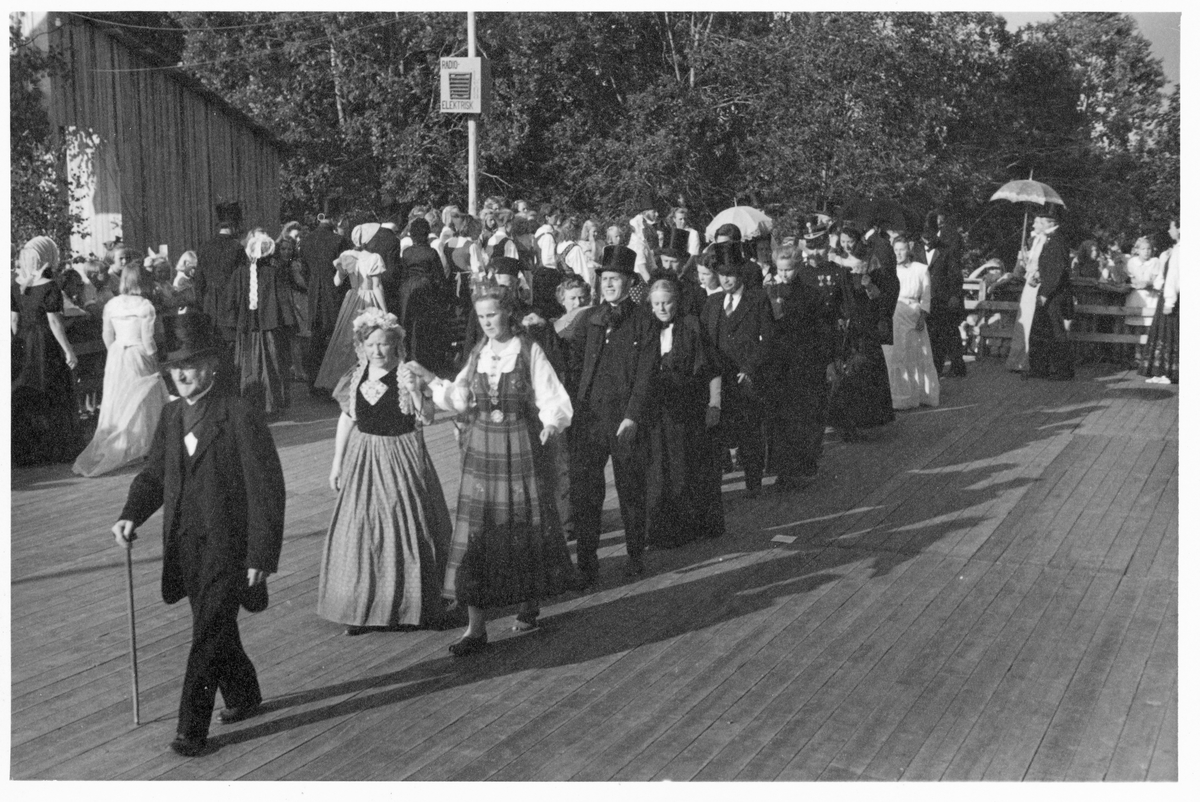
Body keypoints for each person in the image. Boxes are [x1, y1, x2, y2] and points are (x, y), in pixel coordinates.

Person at [111, 312, 285, 757]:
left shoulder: (237, 413)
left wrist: (261, 554)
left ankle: (192, 728)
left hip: (229, 545)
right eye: (174, 367)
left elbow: (266, 490)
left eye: (192, 364)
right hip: (185, 543)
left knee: (207, 632)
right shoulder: (171, 416)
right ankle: (244, 696)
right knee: (214, 625)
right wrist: (133, 513)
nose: (182, 374)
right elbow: (154, 476)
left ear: (212, 366)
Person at [419, 287, 577, 655]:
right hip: (481, 447)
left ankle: (526, 603)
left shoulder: (527, 350)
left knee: (521, 524)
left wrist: (551, 422)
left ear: (508, 313)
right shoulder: (477, 354)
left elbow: (551, 394)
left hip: (520, 443)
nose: (487, 322)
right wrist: (429, 380)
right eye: (482, 316)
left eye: (493, 314)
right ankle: (476, 627)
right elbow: (460, 398)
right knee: (477, 530)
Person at [320, 309, 452, 634]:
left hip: (401, 454)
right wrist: (337, 461)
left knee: (407, 525)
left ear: (395, 345)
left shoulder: (407, 373)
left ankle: (415, 605)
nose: (377, 351)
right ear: (361, 346)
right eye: (371, 345)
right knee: (362, 529)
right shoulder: (355, 377)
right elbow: (348, 418)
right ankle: (362, 608)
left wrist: (417, 392)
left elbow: (427, 418)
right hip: (364, 456)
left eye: (383, 344)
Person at [568, 244, 659, 583]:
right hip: (590, 417)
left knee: (631, 489)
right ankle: (586, 563)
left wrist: (633, 415)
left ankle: (635, 555)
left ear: (629, 282)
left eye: (616, 279)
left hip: (624, 419)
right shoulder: (589, 319)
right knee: (586, 492)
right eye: (605, 279)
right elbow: (574, 367)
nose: (609, 285)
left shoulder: (644, 322)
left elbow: (648, 372)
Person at [644, 278, 724, 545]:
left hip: (687, 407)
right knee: (659, 471)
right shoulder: (646, 330)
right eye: (656, 303)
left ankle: (691, 526)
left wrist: (715, 403)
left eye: (666, 302)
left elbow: (710, 367)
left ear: (676, 302)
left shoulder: (691, 326)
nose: (662, 308)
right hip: (658, 412)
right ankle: (664, 531)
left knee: (686, 467)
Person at [73, 265, 170, 476]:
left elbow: (107, 335)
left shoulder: (111, 305)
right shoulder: (146, 306)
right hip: (138, 352)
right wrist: (154, 360)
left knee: (120, 401)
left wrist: (115, 353)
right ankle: (144, 445)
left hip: (117, 355)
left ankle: (127, 445)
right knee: (144, 399)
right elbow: (148, 339)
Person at [700, 241, 776, 497]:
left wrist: (751, 366)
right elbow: (705, 340)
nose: (726, 279)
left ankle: (753, 482)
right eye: (722, 274)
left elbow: (768, 337)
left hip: (745, 377)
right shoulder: (712, 304)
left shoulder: (757, 300)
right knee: (718, 432)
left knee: (749, 432)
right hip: (719, 378)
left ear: (741, 274)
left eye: (731, 274)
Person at [765, 245, 835, 489]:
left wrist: (827, 361)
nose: (785, 274)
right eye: (781, 270)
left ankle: (805, 467)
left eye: (790, 269)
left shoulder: (810, 294)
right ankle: (784, 471)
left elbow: (821, 331)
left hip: (806, 362)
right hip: (780, 364)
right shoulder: (769, 292)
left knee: (804, 417)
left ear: (798, 267)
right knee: (782, 420)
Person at [11, 235, 81, 465]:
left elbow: (13, 321)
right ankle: (56, 448)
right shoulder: (50, 287)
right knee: (53, 390)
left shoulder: (16, 285)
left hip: (24, 340)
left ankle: (27, 450)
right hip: (45, 343)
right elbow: (55, 323)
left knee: (26, 391)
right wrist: (68, 350)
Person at [826, 225, 897, 439]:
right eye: (844, 241)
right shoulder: (836, 261)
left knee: (864, 370)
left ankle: (865, 421)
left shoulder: (869, 260)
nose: (847, 245)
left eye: (850, 240)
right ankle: (844, 422)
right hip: (845, 324)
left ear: (858, 240)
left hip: (864, 324)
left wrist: (869, 287)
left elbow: (881, 294)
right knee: (843, 373)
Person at [220, 233, 297, 414]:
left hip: (247, 330)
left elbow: (228, 300)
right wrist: (290, 324)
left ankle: (249, 403)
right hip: (270, 330)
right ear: (268, 254)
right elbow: (283, 301)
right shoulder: (274, 273)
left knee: (248, 365)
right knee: (271, 364)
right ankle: (271, 404)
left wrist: (232, 323)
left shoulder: (239, 273)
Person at [314, 224, 389, 391]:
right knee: (369, 340)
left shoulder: (346, 255)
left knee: (347, 342)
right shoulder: (374, 258)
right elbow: (377, 287)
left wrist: (341, 269)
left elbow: (337, 282)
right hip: (369, 299)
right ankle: (368, 384)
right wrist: (384, 311)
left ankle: (343, 384)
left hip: (353, 298)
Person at [302, 204, 352, 394]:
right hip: (334, 293)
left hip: (315, 293)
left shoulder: (306, 241)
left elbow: (305, 271)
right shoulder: (339, 241)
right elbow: (344, 271)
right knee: (335, 338)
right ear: (335, 218)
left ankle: (314, 384)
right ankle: (333, 384)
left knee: (316, 339)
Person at [884, 239, 940, 409]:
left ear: (908, 250)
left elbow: (926, 296)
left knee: (914, 354)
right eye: (895, 250)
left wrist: (922, 317)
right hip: (894, 313)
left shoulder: (920, 269)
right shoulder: (888, 270)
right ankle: (899, 398)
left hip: (913, 314)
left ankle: (919, 394)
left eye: (901, 250)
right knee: (896, 354)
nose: (898, 254)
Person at [1026, 206, 1075, 381]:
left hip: (1054, 294)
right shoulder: (1050, 239)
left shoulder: (1056, 240)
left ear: (1050, 223)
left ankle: (1063, 370)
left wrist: (1045, 293)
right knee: (1042, 330)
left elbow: (1058, 270)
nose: (1036, 224)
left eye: (1040, 221)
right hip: (1048, 289)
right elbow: (1049, 266)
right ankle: (1040, 368)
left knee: (1055, 331)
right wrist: (1038, 275)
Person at [921, 224, 967, 378]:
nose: (927, 242)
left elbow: (955, 275)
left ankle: (954, 366)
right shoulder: (916, 250)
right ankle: (935, 368)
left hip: (944, 298)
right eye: (924, 238)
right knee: (933, 335)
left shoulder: (947, 250)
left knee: (946, 333)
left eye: (930, 238)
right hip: (926, 298)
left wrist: (955, 295)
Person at [1141, 220, 1179, 384]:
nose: (1170, 230)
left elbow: (1175, 277)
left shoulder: (1182, 250)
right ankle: (1159, 371)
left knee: (1169, 333)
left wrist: (1170, 301)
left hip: (1171, 298)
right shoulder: (1174, 250)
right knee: (1162, 332)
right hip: (1164, 295)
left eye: (1172, 227)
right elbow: (1165, 275)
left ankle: (1168, 372)